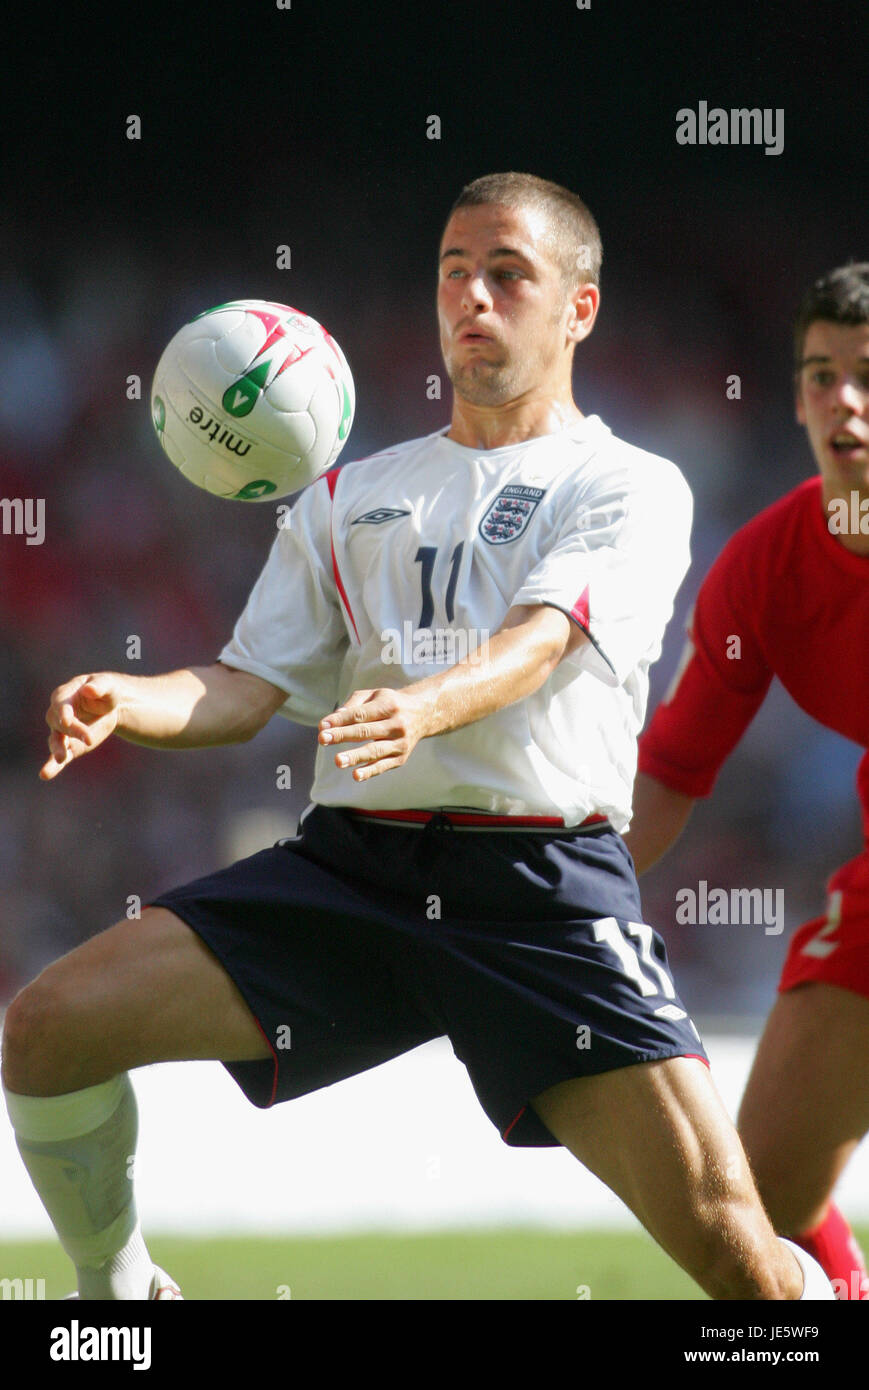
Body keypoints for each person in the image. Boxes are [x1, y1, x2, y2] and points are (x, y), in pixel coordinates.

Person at [1, 173, 832, 1301]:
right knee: (47, 1028)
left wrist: (424, 704)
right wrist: (131, 697)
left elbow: (542, 638)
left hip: (538, 891)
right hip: (355, 870)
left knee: (746, 1273)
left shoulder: (629, 483)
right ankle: (122, 1290)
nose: (471, 299)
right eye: (452, 272)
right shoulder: (349, 495)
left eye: (506, 274)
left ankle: (824, 1283)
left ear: (577, 308)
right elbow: (246, 685)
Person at [627, 262, 869, 1300]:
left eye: (864, 373)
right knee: (757, 1203)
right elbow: (668, 774)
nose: (840, 402)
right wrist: (536, 898)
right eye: (818, 375)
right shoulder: (765, 567)